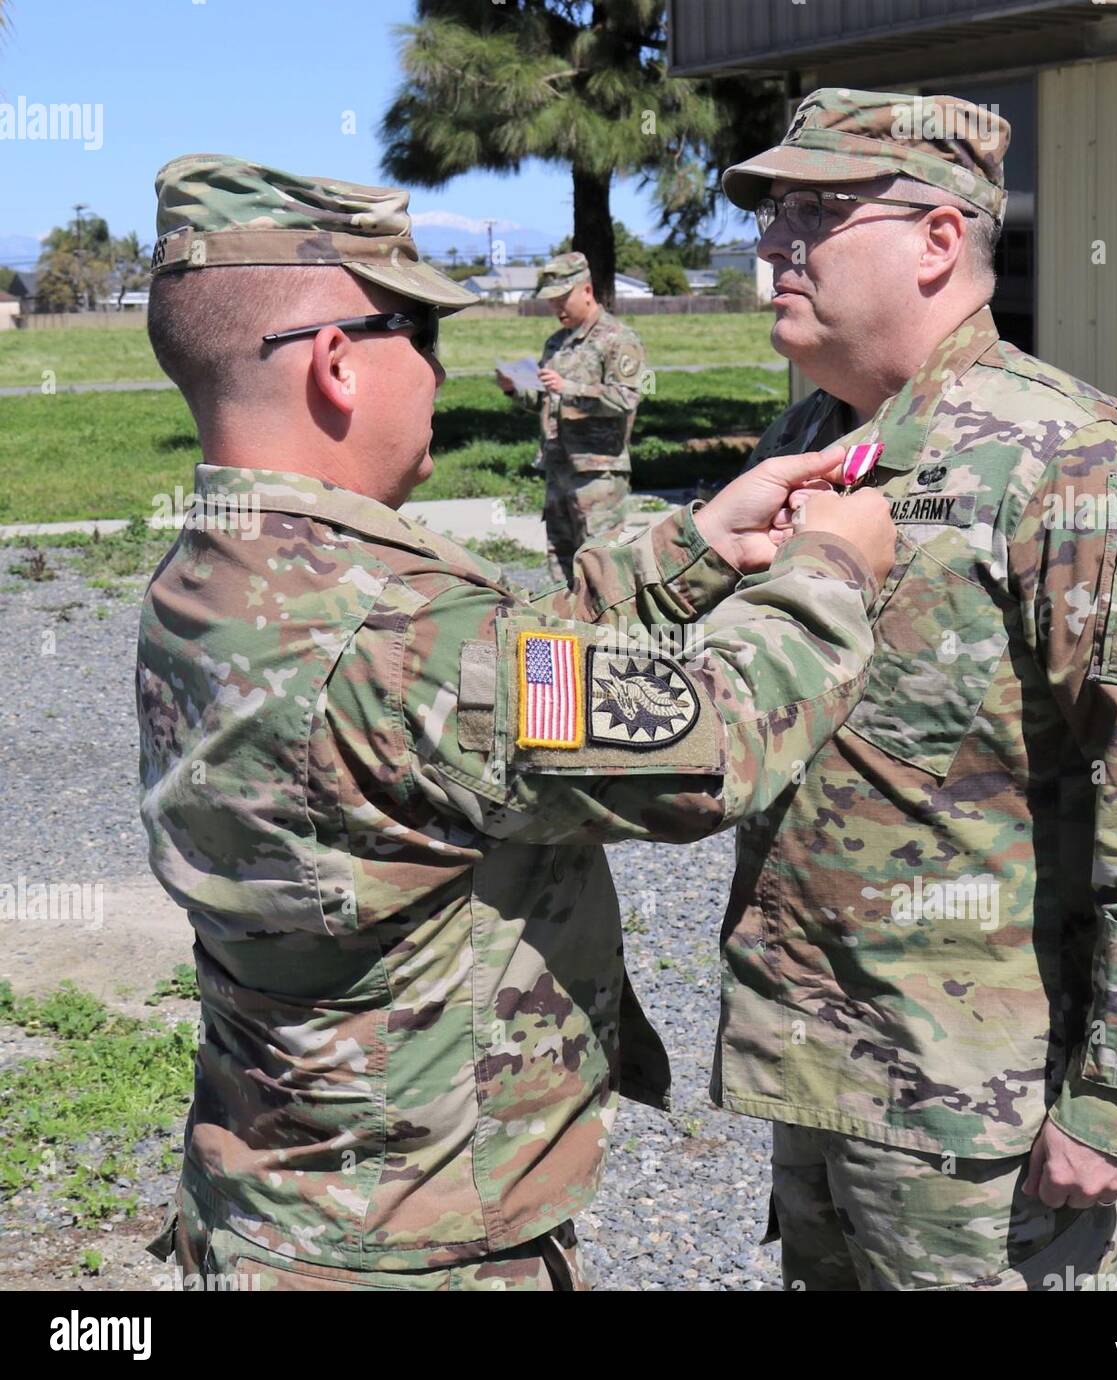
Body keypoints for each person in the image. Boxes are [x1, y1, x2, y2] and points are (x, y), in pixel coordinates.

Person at [136, 153, 896, 1291]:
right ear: (338, 363)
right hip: (414, 1251)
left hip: (281, 1207)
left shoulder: (221, 577)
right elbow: (714, 740)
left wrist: (689, 551)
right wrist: (831, 567)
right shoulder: (395, 640)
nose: (438, 375)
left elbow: (497, 676)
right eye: (421, 337)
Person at [709, 89, 1117, 1291]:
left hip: (979, 1108)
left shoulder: (1070, 463)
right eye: (771, 209)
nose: (771, 241)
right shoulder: (812, 440)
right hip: (821, 1060)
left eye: (816, 210)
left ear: (940, 239)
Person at [495, 252, 646, 583]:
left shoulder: (618, 339)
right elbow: (546, 401)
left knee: (603, 564)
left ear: (587, 291)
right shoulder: (557, 343)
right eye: (551, 301)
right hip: (558, 465)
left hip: (598, 473)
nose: (556, 308)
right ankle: (568, 629)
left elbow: (627, 397)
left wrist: (569, 386)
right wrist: (514, 388)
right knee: (559, 557)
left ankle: (609, 633)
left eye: (563, 298)